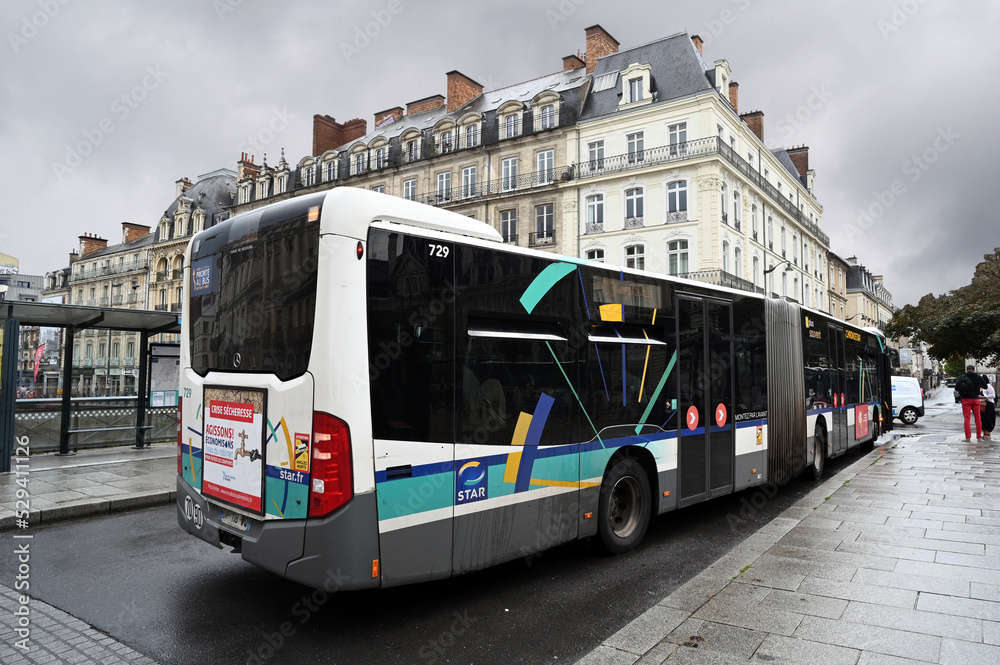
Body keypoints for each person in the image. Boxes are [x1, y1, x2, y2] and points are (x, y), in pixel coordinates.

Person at [956, 364, 988, 441]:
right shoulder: (978, 377)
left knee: (967, 419)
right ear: (973, 370)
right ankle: (979, 436)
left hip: (966, 400)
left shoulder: (962, 377)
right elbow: (985, 386)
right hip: (976, 399)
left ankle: (968, 437)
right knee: (978, 418)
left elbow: (956, 388)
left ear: (967, 370)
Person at [983, 376, 996, 441]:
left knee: (989, 418)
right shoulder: (980, 387)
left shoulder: (988, 386)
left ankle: (988, 433)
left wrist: (985, 397)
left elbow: (993, 395)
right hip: (982, 405)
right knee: (983, 419)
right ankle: (984, 432)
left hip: (989, 404)